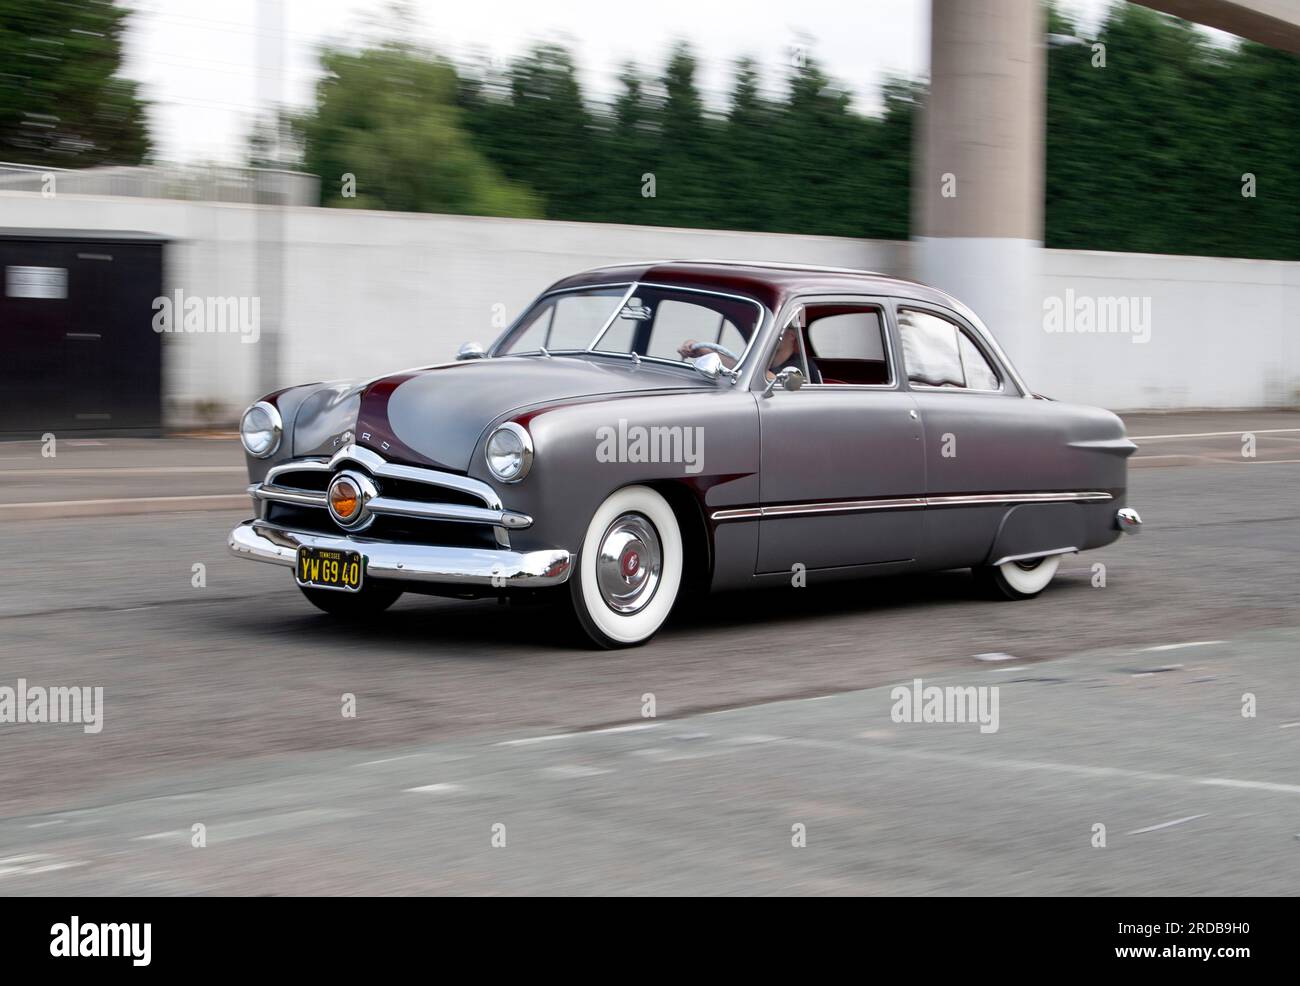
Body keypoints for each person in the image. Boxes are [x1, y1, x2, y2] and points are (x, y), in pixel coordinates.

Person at [678, 323, 808, 382]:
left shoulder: (801, 366)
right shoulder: (766, 363)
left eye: (774, 328)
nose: (762, 332)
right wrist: (702, 350)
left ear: (791, 335)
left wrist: (709, 353)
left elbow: (772, 381)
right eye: (756, 326)